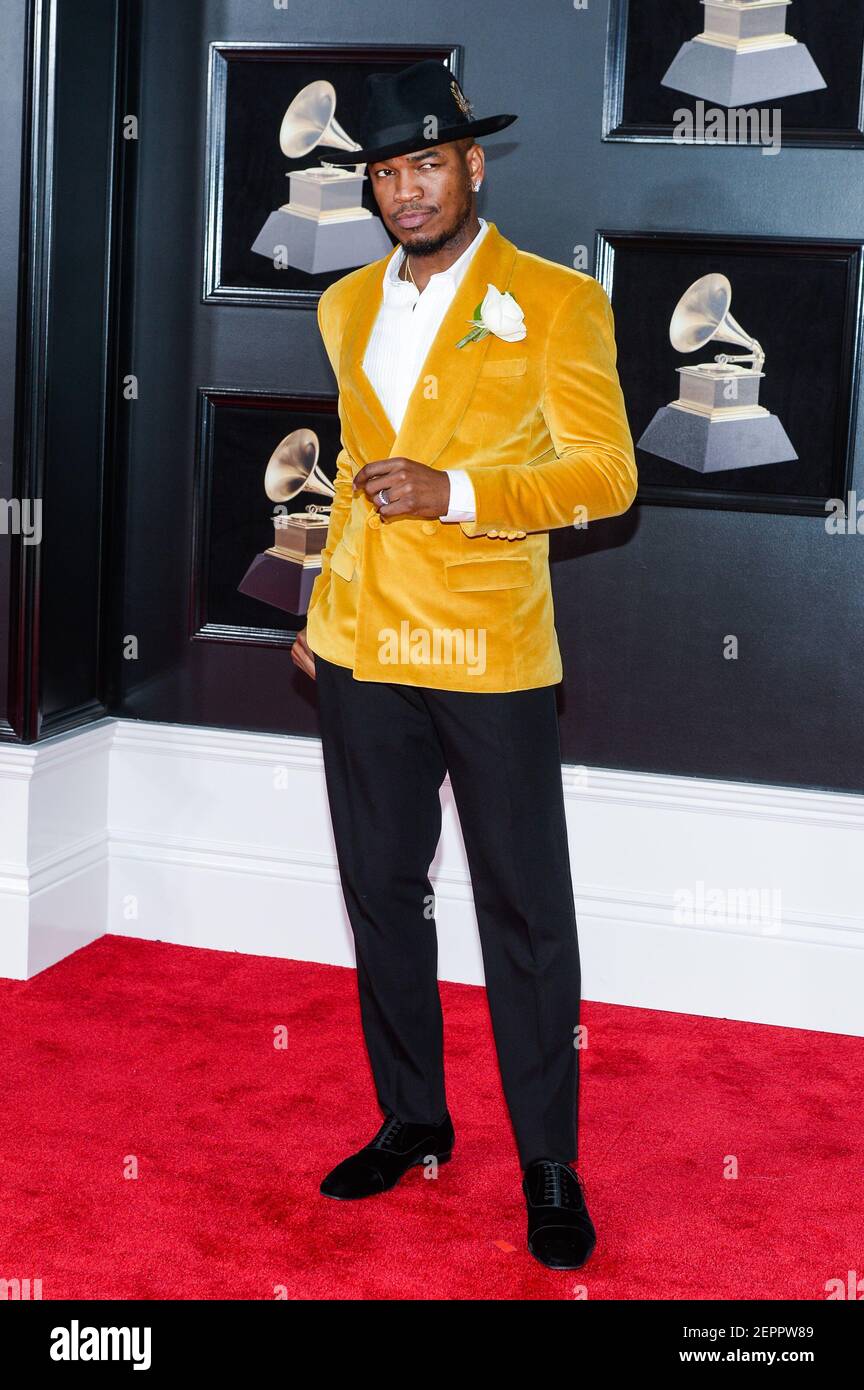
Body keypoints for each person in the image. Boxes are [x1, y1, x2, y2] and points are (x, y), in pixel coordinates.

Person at [290, 58, 637, 1270]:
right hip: (362, 645)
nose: (407, 190)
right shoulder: (341, 307)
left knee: (524, 909)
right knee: (383, 890)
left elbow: (608, 478)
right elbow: (349, 481)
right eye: (386, 171)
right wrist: (318, 603)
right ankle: (414, 1118)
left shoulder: (556, 301)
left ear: (471, 165)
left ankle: (550, 1160)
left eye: (427, 163)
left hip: (488, 651)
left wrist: (466, 491)